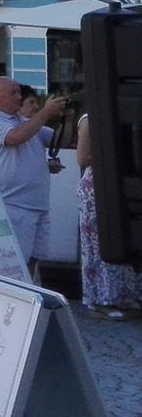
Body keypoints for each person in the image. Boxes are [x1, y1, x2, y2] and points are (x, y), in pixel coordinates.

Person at [0, 75, 68, 273]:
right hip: (13, 206)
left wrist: (66, 120)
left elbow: (60, 140)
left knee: (32, 264)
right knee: (15, 266)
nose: (19, 97)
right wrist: (45, 112)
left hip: (38, 205)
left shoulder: (25, 121)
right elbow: (16, 137)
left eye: (19, 92)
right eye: (13, 93)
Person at [77, 110, 142, 317]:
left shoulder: (124, 117)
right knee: (98, 244)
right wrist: (115, 152)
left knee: (122, 240)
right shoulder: (89, 120)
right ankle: (99, 299)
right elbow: (82, 157)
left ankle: (122, 297)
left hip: (120, 185)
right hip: (97, 186)